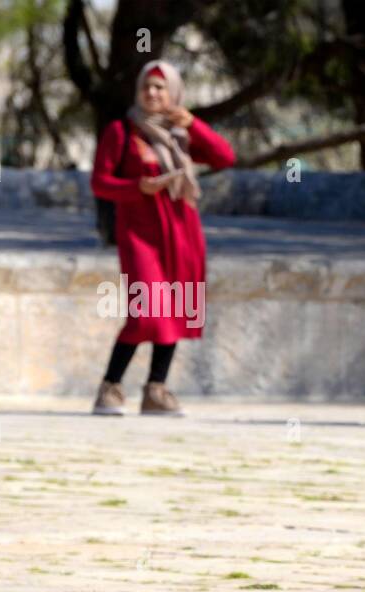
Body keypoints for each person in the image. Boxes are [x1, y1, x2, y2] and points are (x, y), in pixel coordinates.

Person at [90, 59, 236, 416]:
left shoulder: (181, 134)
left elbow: (225, 156)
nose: (152, 93)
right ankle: (110, 386)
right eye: (147, 87)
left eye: (160, 87)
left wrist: (194, 124)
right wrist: (137, 187)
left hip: (182, 231)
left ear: (173, 92)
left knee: (178, 307)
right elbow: (100, 182)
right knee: (147, 310)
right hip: (140, 233)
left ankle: (156, 390)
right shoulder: (121, 132)